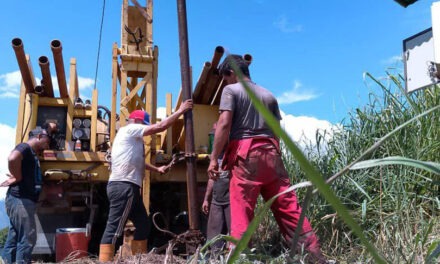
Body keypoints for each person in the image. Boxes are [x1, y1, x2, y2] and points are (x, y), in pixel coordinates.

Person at [207, 55, 326, 263]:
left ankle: (241, 258)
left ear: (232, 73)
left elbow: (224, 124)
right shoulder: (268, 95)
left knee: (241, 208)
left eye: (226, 78)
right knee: (288, 207)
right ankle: (313, 256)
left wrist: (213, 158)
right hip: (272, 154)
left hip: (245, 155)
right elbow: (276, 131)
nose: (226, 82)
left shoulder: (231, 90)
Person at [99, 99, 193, 262]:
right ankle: (104, 260)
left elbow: (138, 161)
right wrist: (180, 111)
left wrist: (157, 169)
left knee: (143, 224)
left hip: (129, 187)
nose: (144, 127)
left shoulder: (130, 139)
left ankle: (137, 260)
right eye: (144, 124)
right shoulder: (130, 128)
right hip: (124, 186)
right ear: (136, 121)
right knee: (115, 228)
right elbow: (159, 127)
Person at [1, 127, 51, 264]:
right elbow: (12, 158)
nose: (48, 146)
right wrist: (17, 177)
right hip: (20, 200)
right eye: (47, 141)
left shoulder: (32, 153)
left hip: (18, 200)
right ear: (40, 136)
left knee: (15, 235)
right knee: (28, 237)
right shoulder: (25, 147)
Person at [202, 123, 230, 254]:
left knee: (234, 234)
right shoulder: (215, 158)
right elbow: (211, 179)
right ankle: (214, 258)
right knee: (213, 236)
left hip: (232, 201)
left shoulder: (234, 155)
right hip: (216, 201)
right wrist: (206, 199)